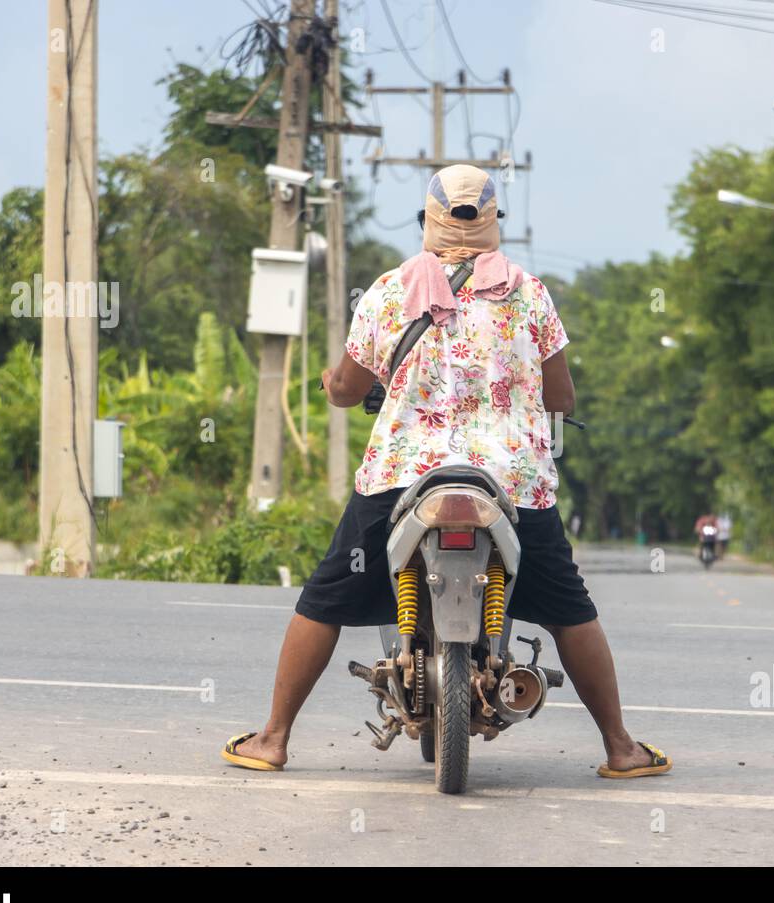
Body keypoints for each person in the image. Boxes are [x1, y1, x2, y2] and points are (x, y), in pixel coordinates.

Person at [222, 164, 669, 780]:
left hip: (406, 475)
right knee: (569, 609)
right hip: (511, 481)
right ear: (493, 222)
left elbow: (350, 390)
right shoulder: (529, 294)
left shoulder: (388, 291)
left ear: (427, 220)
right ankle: (621, 747)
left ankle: (272, 739)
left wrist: (333, 384)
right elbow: (561, 396)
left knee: (325, 598)